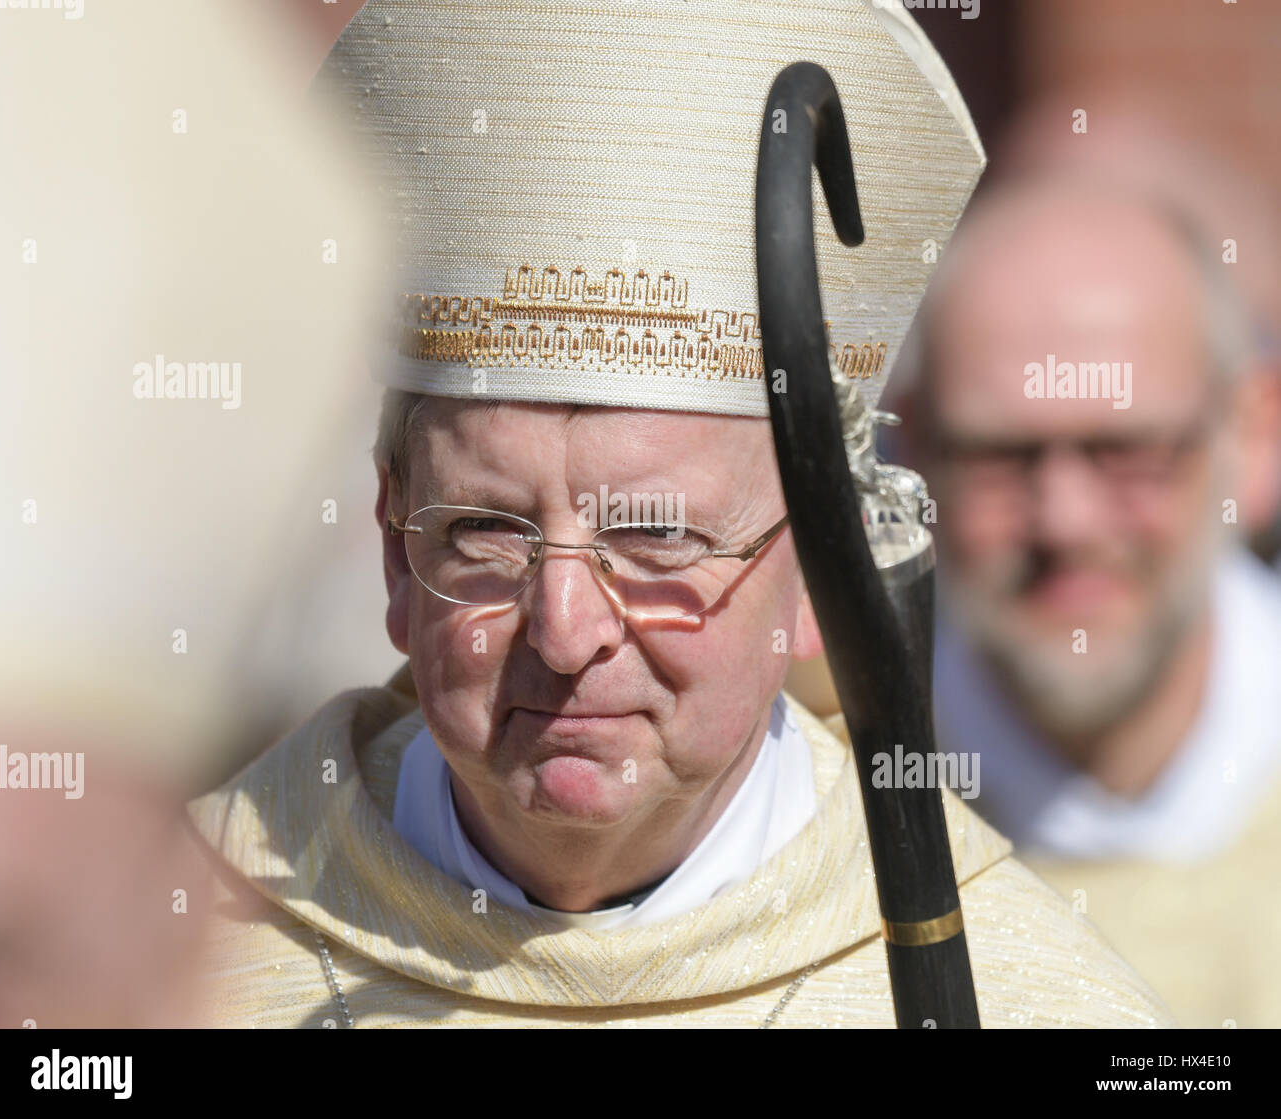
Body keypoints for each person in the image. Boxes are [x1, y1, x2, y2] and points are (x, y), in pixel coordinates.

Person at [184, 0, 1173, 1028]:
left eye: (655, 535)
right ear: (394, 555)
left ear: (811, 575)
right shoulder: (164, 956)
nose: (565, 634)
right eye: (486, 532)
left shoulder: (1040, 1003)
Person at [886, 172, 1281, 1028]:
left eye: (1125, 449)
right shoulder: (819, 792)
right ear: (912, 450)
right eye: (1000, 454)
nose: (1066, 519)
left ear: (1253, 438)